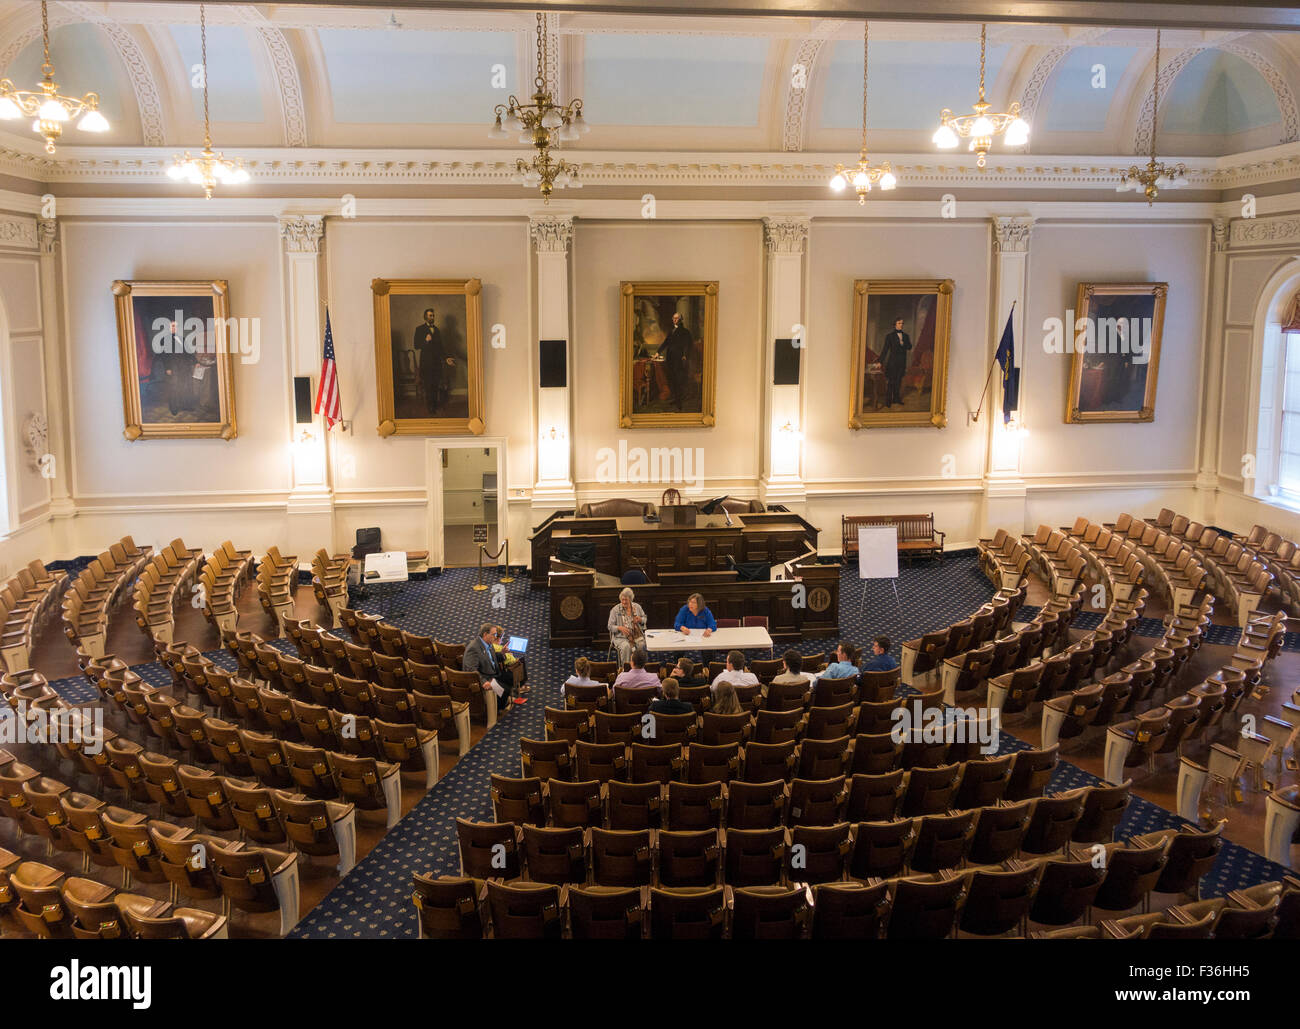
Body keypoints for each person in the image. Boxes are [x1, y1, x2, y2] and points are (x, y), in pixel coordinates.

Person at [463, 622, 522, 710]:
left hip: (494, 672)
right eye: (494, 634)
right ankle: (497, 709)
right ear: (485, 634)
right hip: (487, 677)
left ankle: (503, 701)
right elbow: (471, 670)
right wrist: (484, 682)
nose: (495, 637)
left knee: (512, 677)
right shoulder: (473, 648)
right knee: (505, 690)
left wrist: (502, 653)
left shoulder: (488, 643)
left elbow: (491, 657)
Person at [414, 307, 455, 413]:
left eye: (433, 315)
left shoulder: (436, 330)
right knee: (428, 386)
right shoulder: (419, 329)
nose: (432, 317)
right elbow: (416, 345)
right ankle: (430, 408)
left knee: (435, 385)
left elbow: (440, 347)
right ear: (425, 317)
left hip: (436, 363)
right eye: (430, 315)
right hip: (426, 363)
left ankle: (435, 405)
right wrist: (425, 341)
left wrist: (446, 358)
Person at [659, 311, 694, 411]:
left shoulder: (685, 332)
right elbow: (666, 343)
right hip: (670, 359)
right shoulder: (672, 331)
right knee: (672, 379)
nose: (674, 320)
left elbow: (688, 345)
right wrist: (658, 352)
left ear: (681, 320)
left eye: (676, 318)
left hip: (679, 360)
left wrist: (685, 355)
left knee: (679, 381)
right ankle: (675, 398)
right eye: (673, 318)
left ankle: (679, 403)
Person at [608, 587, 647, 666]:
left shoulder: (637, 607)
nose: (624, 602)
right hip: (620, 637)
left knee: (641, 645)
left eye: (626, 600)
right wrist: (619, 628)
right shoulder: (615, 610)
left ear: (631, 599)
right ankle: (626, 669)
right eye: (622, 599)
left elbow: (644, 619)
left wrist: (640, 619)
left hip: (636, 635)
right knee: (626, 647)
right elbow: (610, 626)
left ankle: (639, 667)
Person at [880, 316, 912, 407]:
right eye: (899, 323)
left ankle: (897, 399)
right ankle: (888, 401)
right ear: (895, 325)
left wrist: (903, 343)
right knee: (891, 382)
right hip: (892, 363)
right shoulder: (889, 336)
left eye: (902, 323)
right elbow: (885, 350)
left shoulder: (906, 336)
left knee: (898, 382)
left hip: (902, 363)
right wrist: (880, 361)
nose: (901, 325)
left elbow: (910, 347)